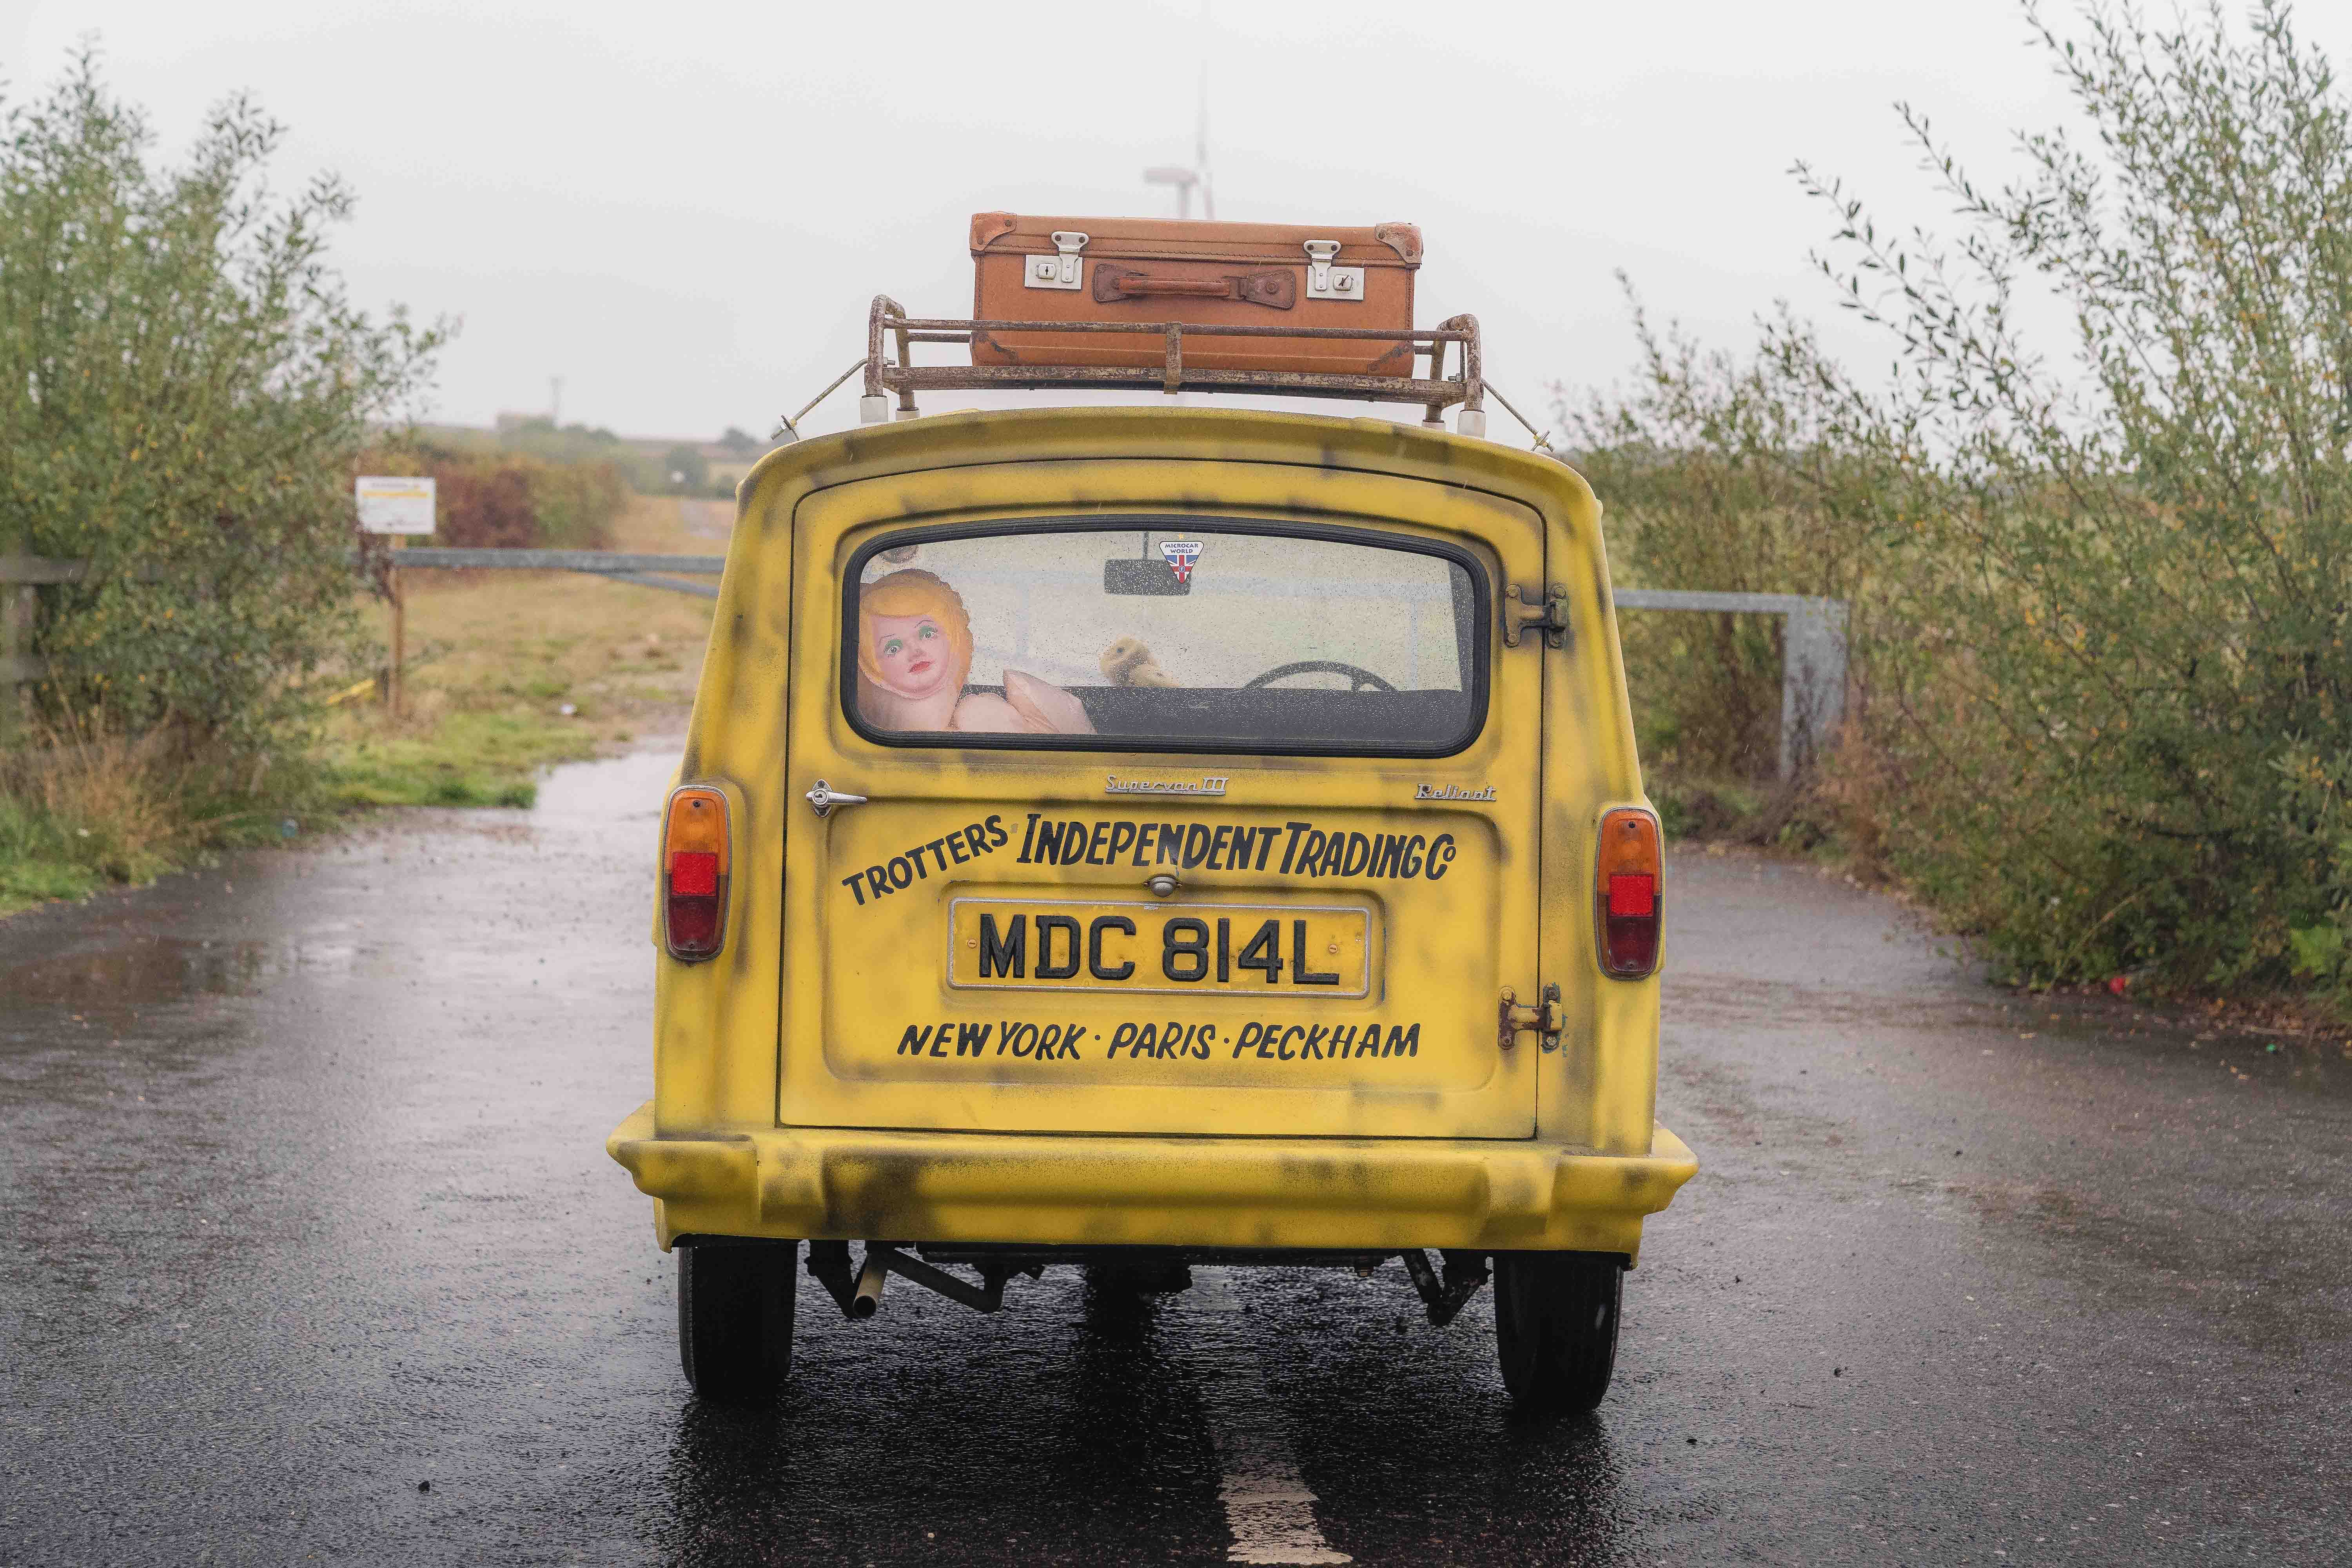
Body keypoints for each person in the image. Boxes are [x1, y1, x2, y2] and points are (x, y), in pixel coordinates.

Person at [855, 568, 1093, 735]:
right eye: (893, 647)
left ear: (953, 638)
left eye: (927, 634)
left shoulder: (983, 716)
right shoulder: (860, 729)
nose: (915, 651)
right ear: (870, 665)